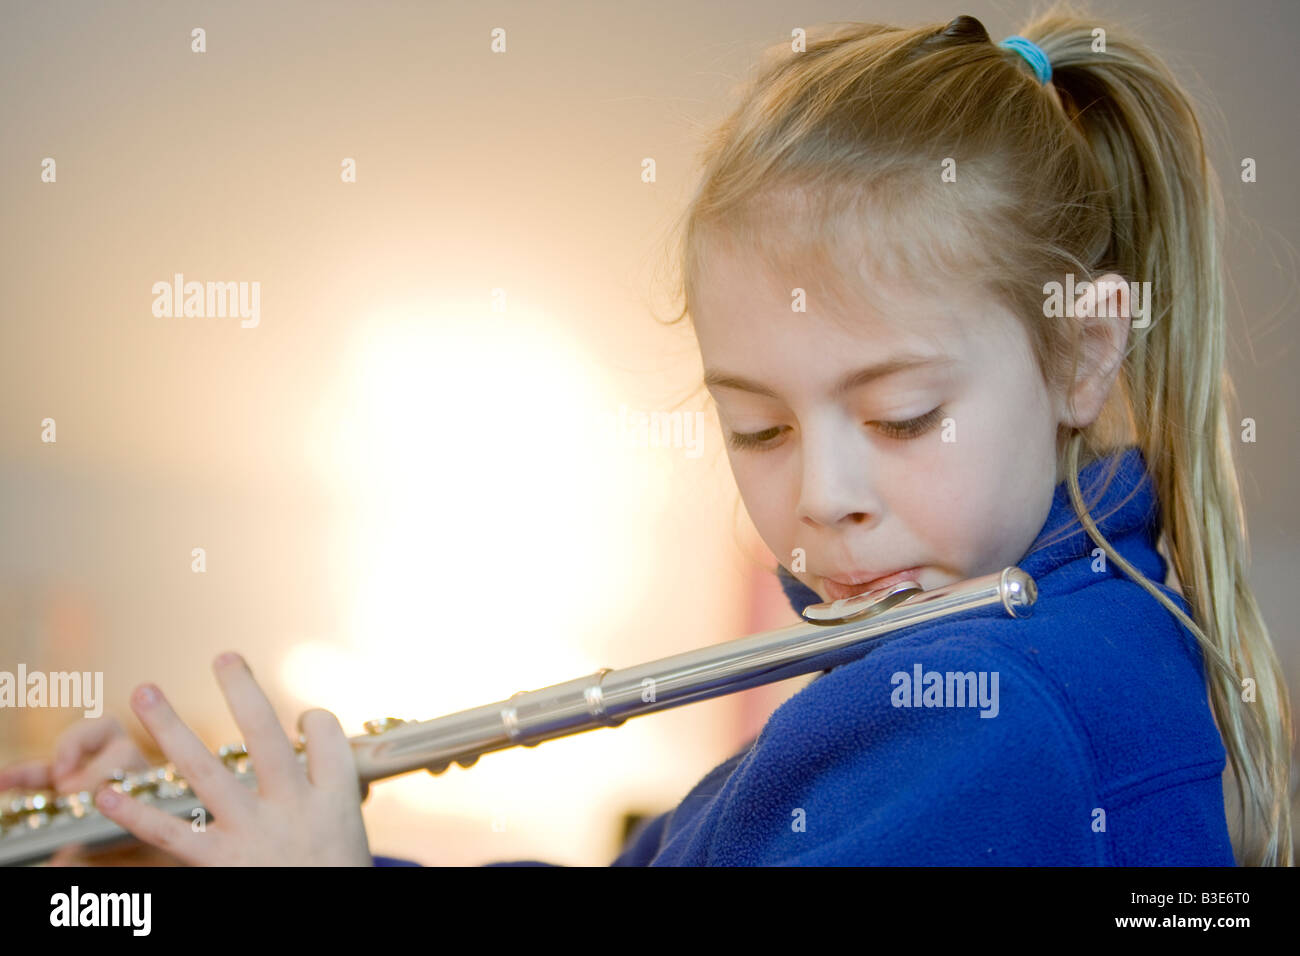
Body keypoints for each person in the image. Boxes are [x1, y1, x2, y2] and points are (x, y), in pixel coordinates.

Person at [2, 3, 1290, 866]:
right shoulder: (992, 649)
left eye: (903, 415)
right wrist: (193, 852)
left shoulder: (998, 713)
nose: (821, 496)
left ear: (1080, 349)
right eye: (759, 425)